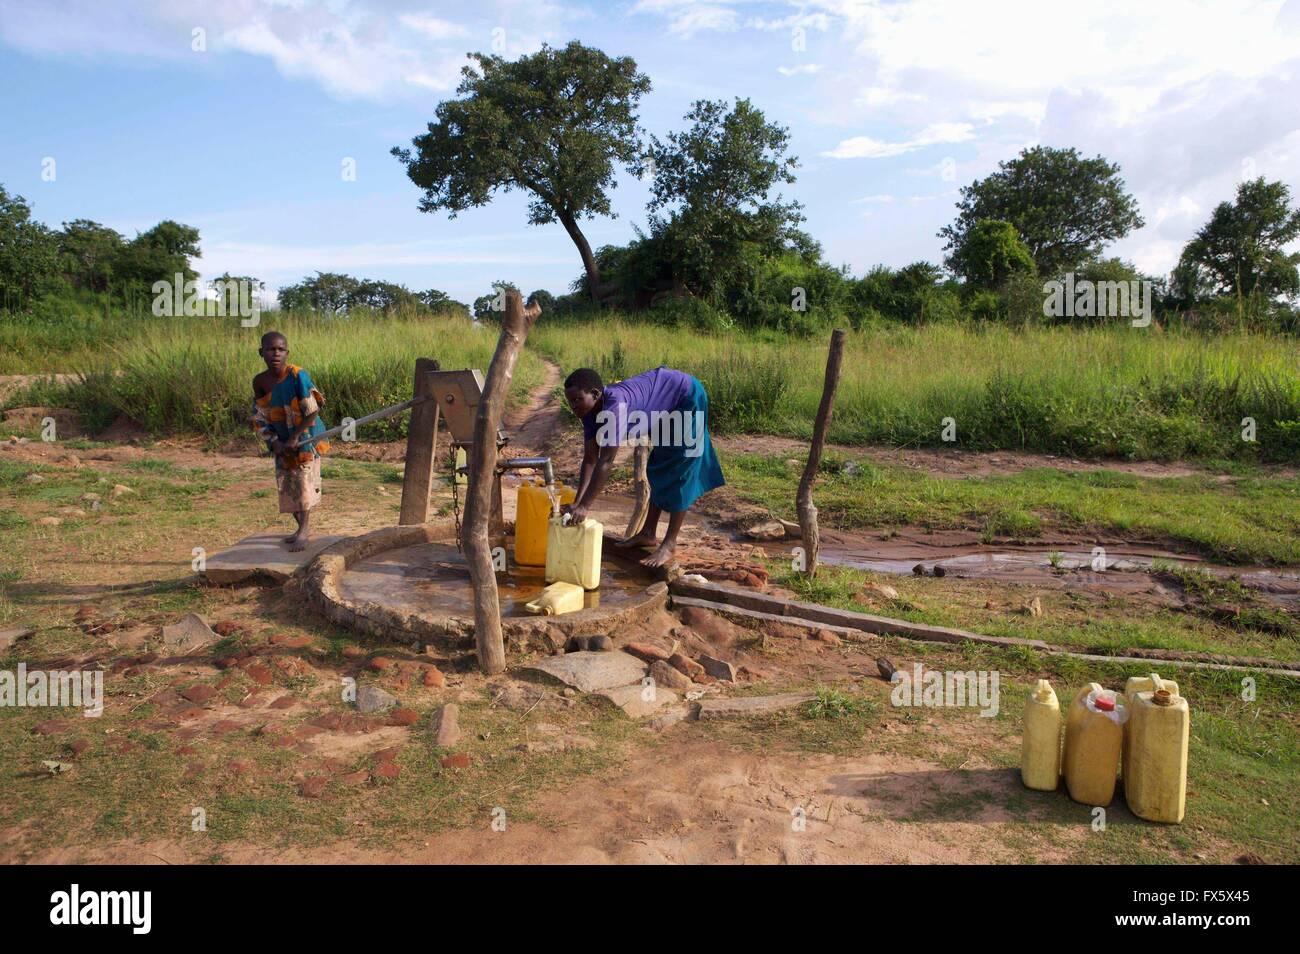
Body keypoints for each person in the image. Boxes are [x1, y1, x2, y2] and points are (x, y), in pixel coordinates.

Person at [564, 365, 724, 568]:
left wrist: (585, 506)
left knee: (682, 467)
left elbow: (606, 461)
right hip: (665, 405)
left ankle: (670, 543)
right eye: (570, 401)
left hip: (686, 396)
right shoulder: (588, 413)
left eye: (577, 400)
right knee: (659, 465)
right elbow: (590, 459)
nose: (573, 406)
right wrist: (577, 503)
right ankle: (648, 532)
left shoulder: (615, 406)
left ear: (595, 394)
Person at [251, 331, 329, 551]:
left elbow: (312, 410)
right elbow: (259, 414)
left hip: (305, 435)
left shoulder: (297, 375)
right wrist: (274, 441)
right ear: (261, 352)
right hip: (281, 437)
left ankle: (304, 531)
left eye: (280, 349)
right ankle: (301, 527)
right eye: (270, 349)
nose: (276, 354)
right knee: (287, 483)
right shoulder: (260, 381)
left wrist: (296, 436)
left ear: (287, 352)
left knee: (304, 480)